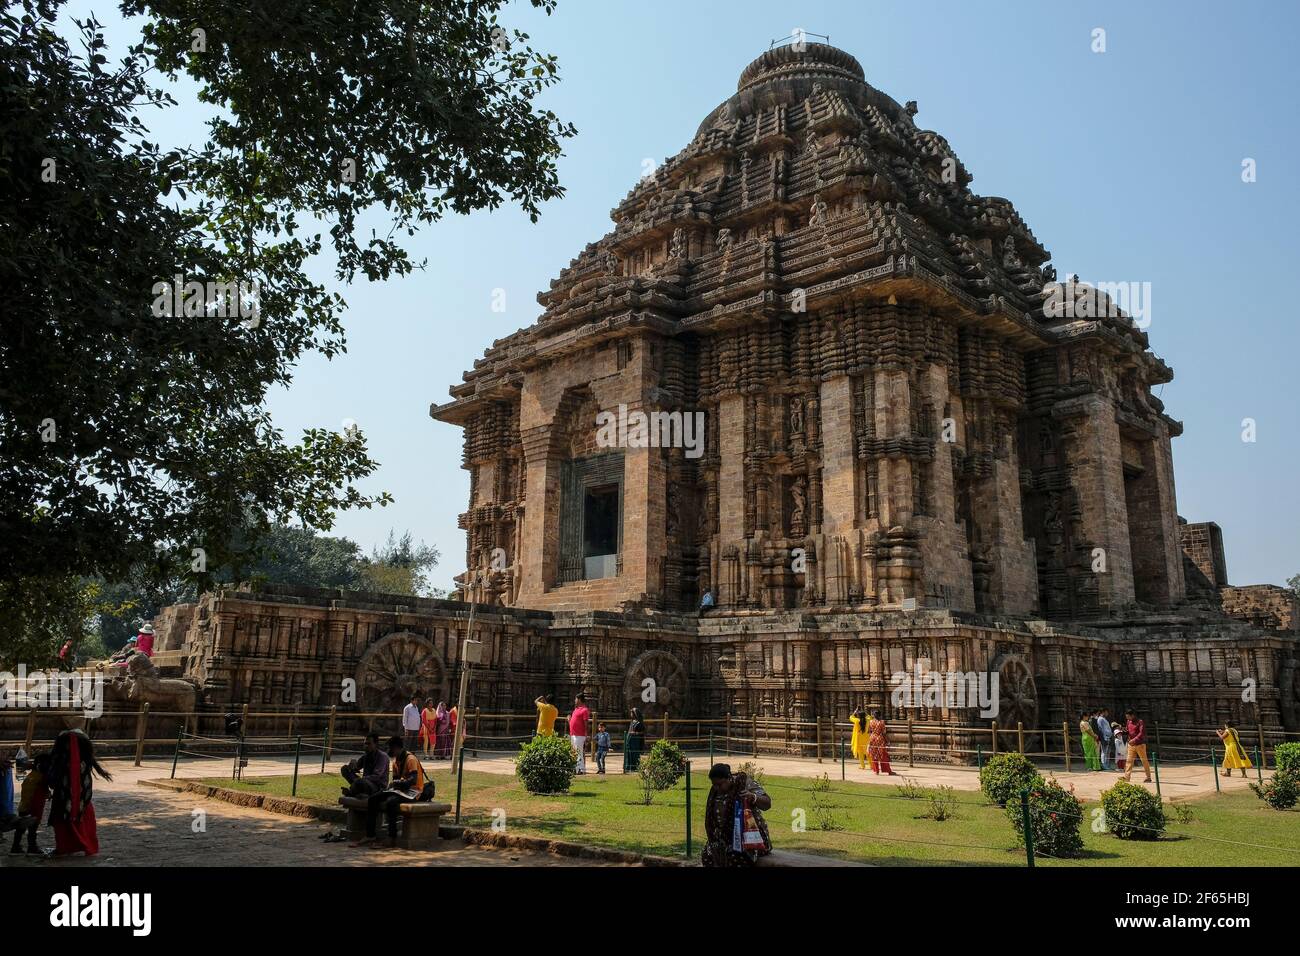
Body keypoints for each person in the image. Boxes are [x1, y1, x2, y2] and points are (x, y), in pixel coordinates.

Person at [353, 735, 429, 848]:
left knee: (391, 802)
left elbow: (412, 780)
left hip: (413, 791)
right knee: (373, 798)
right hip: (400, 790)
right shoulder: (395, 762)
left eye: (390, 748)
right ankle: (370, 835)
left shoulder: (410, 759)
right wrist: (393, 785)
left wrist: (397, 784)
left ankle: (391, 837)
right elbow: (395, 779)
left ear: (397, 748)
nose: (388, 751)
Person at [47, 729, 111, 857]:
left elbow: (53, 781)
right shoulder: (81, 761)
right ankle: (69, 846)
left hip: (71, 799)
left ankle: (65, 847)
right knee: (75, 824)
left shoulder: (68, 762)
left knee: (65, 824)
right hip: (79, 800)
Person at [701, 763, 772, 867]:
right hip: (724, 837)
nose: (716, 788)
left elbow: (767, 804)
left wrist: (753, 797)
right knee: (708, 855)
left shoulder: (744, 784)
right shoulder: (715, 791)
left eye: (720, 784)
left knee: (735, 857)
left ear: (729, 778)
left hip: (749, 837)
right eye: (714, 784)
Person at [11, 753, 52, 854]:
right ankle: (32, 847)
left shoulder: (31, 775)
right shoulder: (41, 778)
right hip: (33, 807)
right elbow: (47, 790)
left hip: (23, 806)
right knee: (33, 828)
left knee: (21, 828)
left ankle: (15, 847)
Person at [340, 733, 389, 798]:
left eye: (369, 744)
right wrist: (351, 766)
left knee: (360, 781)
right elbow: (356, 768)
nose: (366, 746)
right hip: (365, 783)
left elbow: (376, 777)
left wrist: (361, 780)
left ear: (376, 744)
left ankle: (352, 792)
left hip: (377, 786)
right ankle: (357, 790)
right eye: (365, 743)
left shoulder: (382, 757)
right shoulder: (366, 756)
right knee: (344, 769)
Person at [1123, 710, 1152, 783]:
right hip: (1131, 744)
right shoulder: (1128, 722)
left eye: (1128, 717)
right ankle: (1127, 777)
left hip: (1140, 744)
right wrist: (1122, 729)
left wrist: (1134, 740)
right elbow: (1128, 731)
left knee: (1144, 761)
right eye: (1127, 718)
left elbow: (1141, 733)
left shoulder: (1140, 722)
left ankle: (1148, 777)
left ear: (1132, 715)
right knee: (1129, 761)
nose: (1128, 719)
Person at [569, 694, 591, 775]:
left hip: (580, 735)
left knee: (579, 752)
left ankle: (581, 769)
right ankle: (576, 768)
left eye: (576, 699)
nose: (575, 700)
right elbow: (573, 722)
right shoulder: (575, 709)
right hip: (573, 734)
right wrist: (569, 720)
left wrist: (586, 735)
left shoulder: (584, 710)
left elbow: (586, 723)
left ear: (579, 700)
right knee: (574, 752)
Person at [622, 708, 646, 773]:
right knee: (628, 753)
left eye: (632, 713)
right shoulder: (632, 722)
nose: (631, 714)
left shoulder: (639, 723)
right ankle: (628, 767)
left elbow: (643, 732)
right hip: (630, 740)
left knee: (634, 753)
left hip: (635, 741)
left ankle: (635, 767)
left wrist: (635, 733)